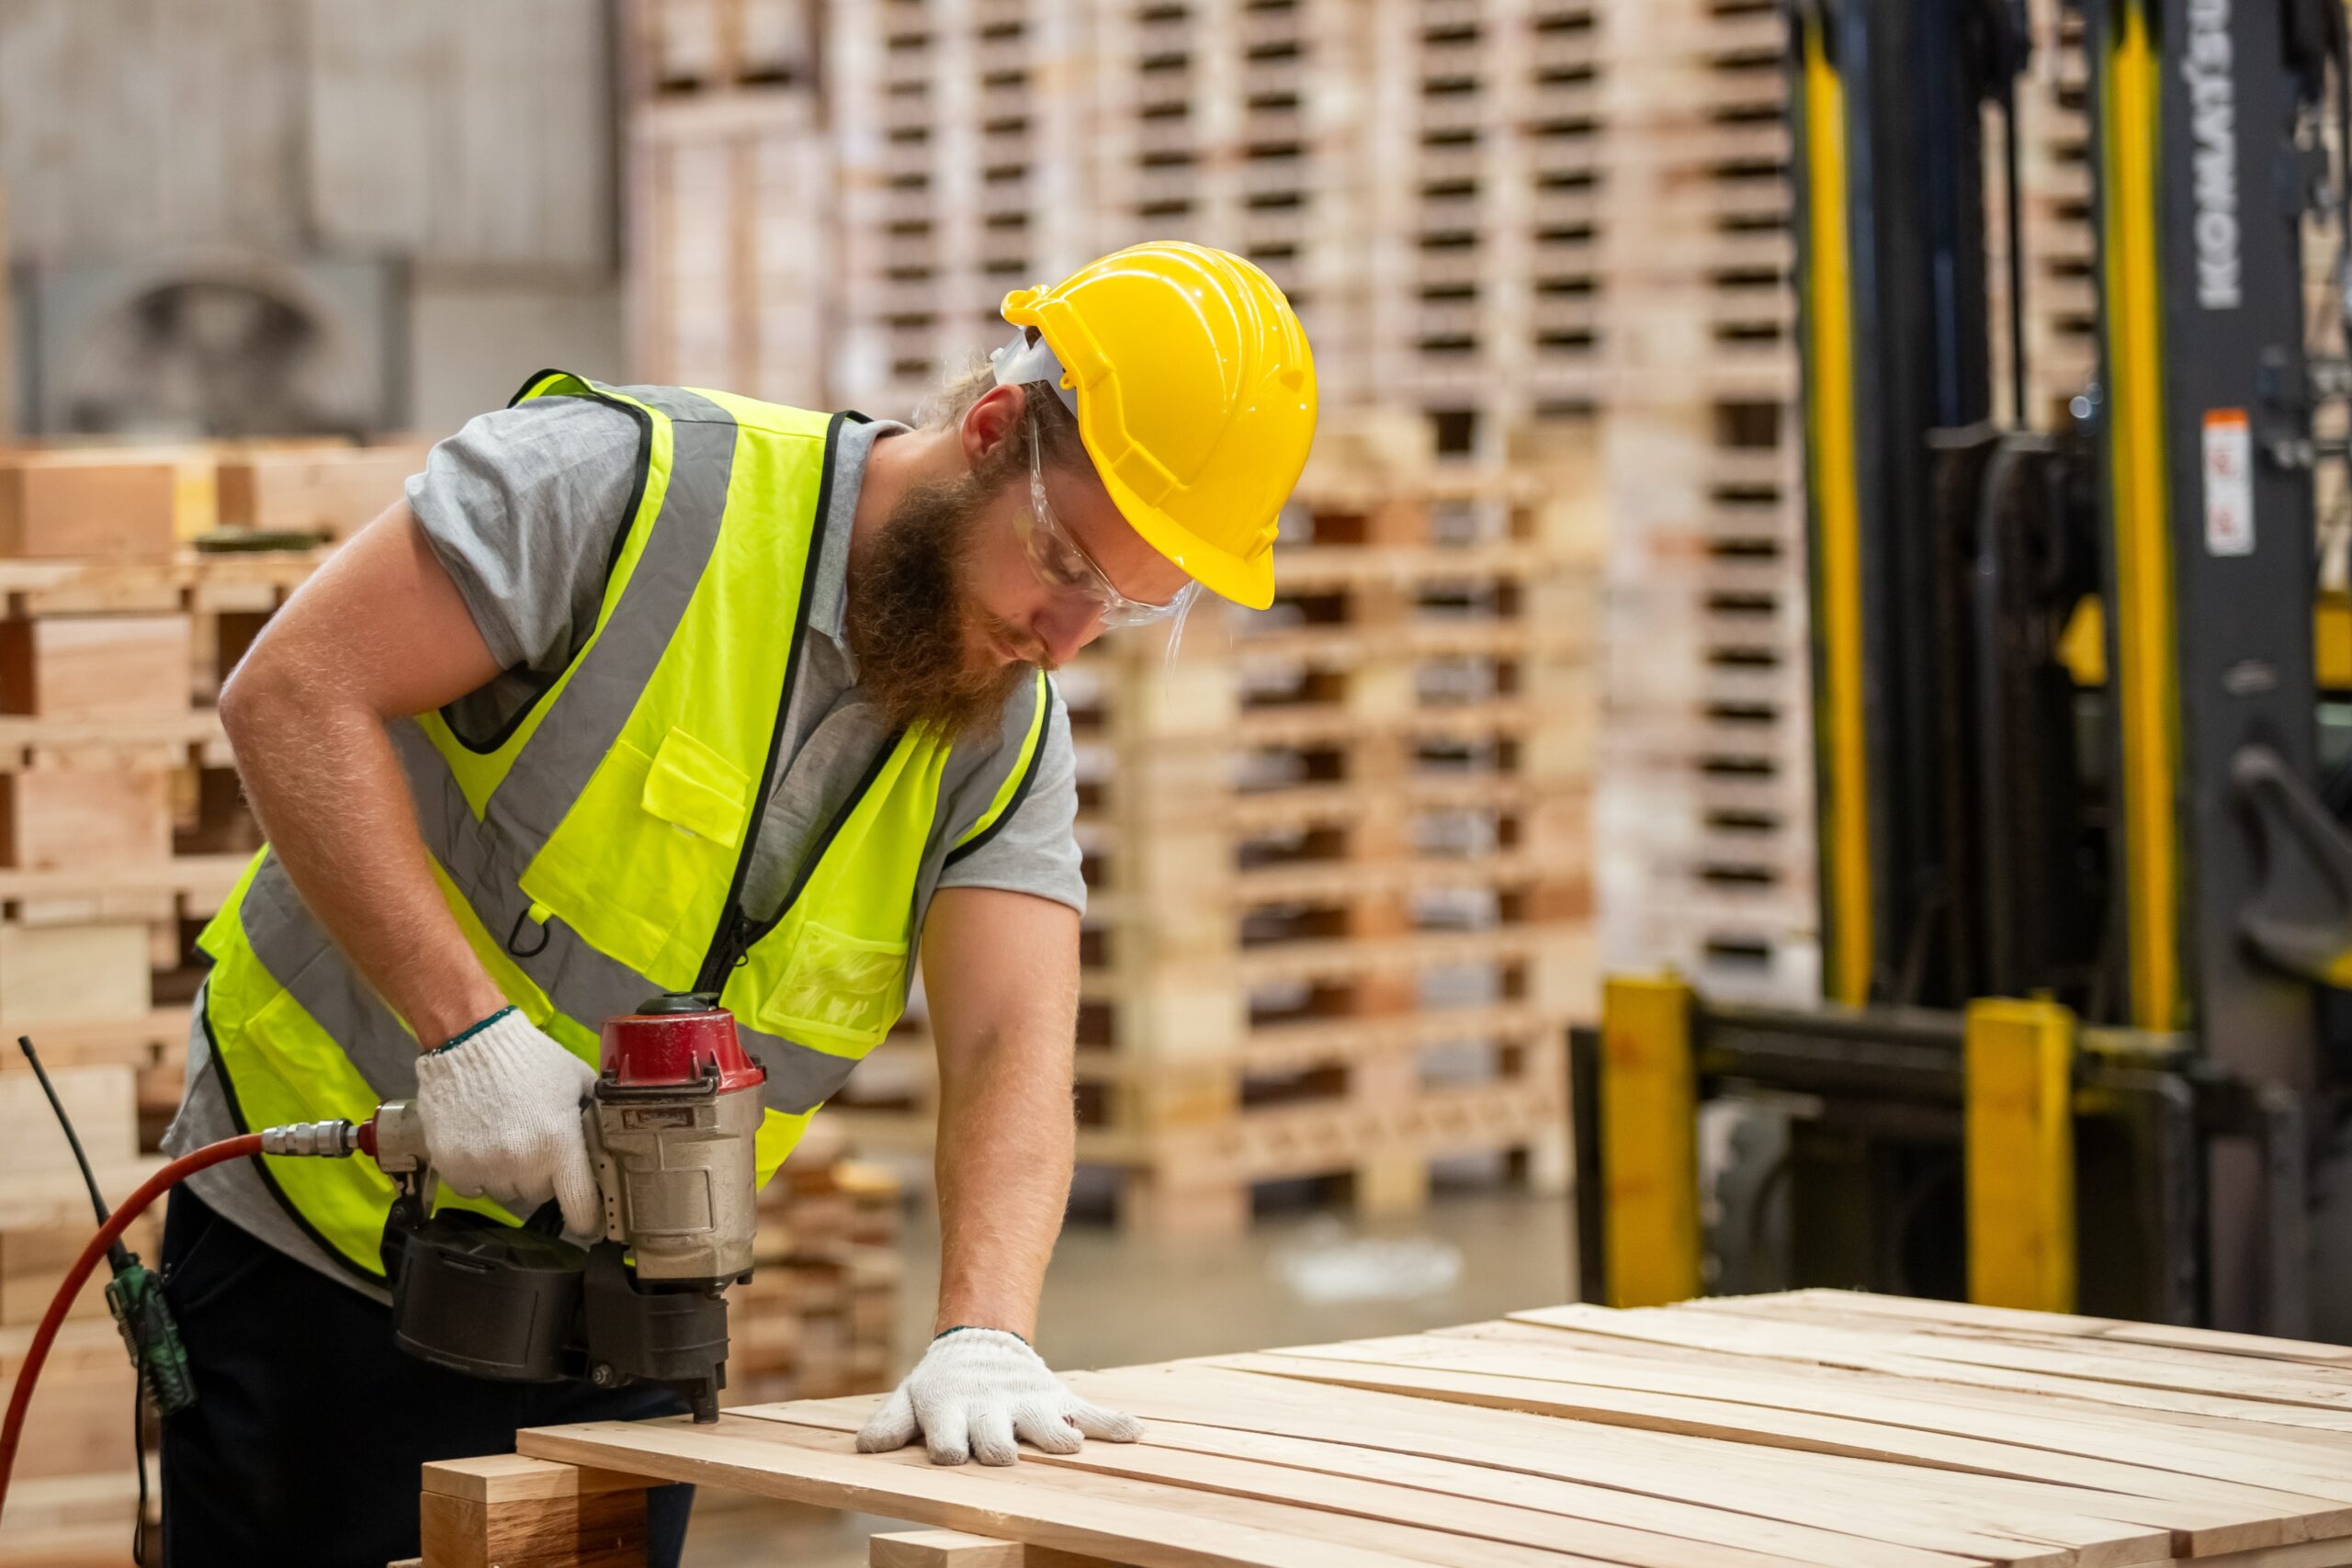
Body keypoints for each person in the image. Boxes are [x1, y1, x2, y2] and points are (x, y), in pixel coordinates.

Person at [151, 241, 1317, 1567]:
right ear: (993, 433)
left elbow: (1009, 1044)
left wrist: (985, 1330)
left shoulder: (1003, 739)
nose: (1064, 638)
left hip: (629, 1323)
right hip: (312, 1267)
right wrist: (463, 1031)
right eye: (1064, 567)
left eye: (1123, 606)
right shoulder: (622, 492)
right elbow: (293, 693)